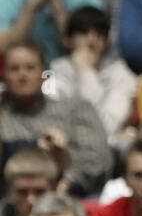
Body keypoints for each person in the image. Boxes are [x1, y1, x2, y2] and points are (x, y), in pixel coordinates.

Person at [0, 41, 112, 198]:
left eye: (30, 68)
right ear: (4, 76)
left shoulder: (77, 110)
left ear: (44, 75)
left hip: (72, 197)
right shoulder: (2, 115)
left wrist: (66, 173)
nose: (22, 75)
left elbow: (99, 163)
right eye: (14, 69)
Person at [49, 6, 138, 154]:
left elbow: (107, 126)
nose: (91, 40)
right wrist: (113, 140)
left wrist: (85, 71)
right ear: (67, 40)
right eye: (83, 32)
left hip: (108, 156)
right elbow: (56, 124)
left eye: (99, 34)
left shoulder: (122, 74)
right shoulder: (54, 71)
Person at [1, 149, 60, 216]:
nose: (31, 200)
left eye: (40, 192)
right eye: (22, 192)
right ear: (8, 192)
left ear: (54, 191)